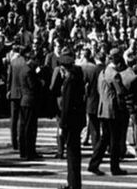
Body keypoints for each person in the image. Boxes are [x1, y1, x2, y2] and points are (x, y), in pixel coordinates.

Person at [88, 50, 127, 176]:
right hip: (113, 109)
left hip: (103, 107)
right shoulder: (115, 74)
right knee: (114, 140)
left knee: (104, 138)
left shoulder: (102, 72)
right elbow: (120, 92)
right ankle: (114, 167)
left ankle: (94, 163)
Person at [58, 50, 85, 189]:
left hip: (70, 122)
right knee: (74, 153)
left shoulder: (69, 82)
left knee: (72, 154)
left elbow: (66, 106)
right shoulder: (78, 77)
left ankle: (74, 184)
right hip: (78, 120)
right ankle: (73, 183)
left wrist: (62, 125)